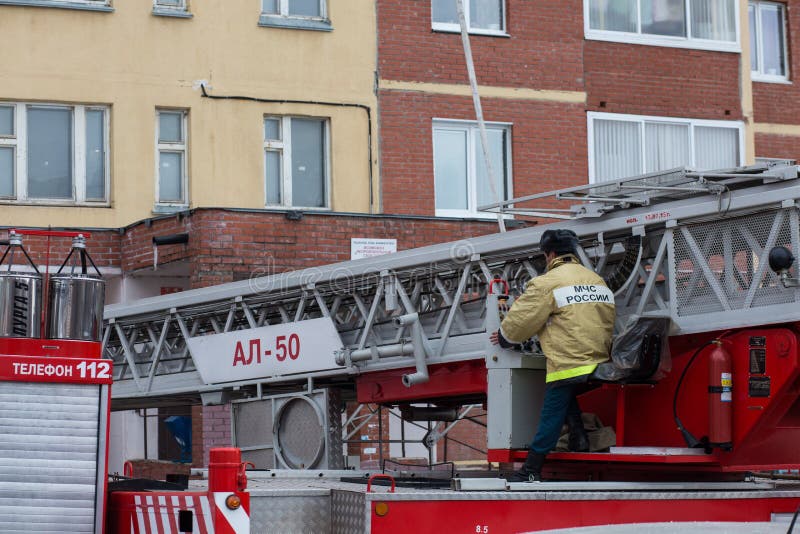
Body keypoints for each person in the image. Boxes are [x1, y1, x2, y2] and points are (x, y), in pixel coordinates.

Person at [490, 229, 615, 482]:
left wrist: (505, 338)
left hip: (570, 360)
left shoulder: (547, 282)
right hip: (599, 357)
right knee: (567, 395)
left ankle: (531, 470)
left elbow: (521, 320)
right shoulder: (596, 279)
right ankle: (579, 440)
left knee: (551, 414)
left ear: (551, 254)